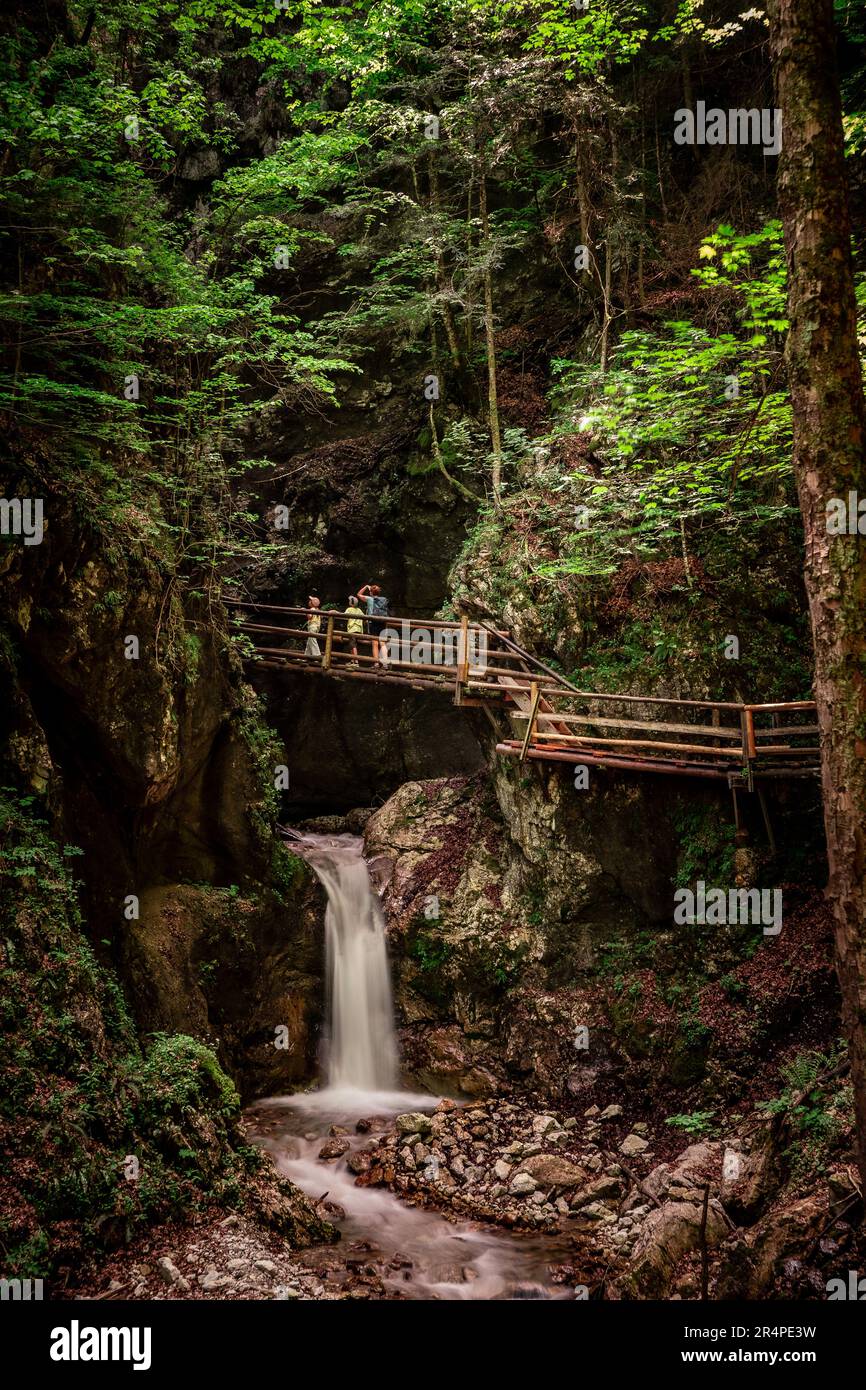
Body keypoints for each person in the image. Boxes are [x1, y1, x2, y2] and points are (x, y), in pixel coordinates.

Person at [357, 582, 390, 667]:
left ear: (371, 592)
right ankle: (385, 664)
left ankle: (376, 663)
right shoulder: (383, 599)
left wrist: (366, 586)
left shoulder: (369, 599)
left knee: (375, 643)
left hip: (373, 623)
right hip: (383, 622)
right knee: (382, 643)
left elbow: (358, 594)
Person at [343, 595, 366, 667]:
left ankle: (356, 662)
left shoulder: (349, 609)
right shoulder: (359, 610)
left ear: (351, 603)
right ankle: (352, 661)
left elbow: (344, 616)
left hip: (352, 629)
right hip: (359, 629)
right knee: (352, 645)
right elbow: (364, 617)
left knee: (353, 645)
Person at [304, 594, 321, 659]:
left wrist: (306, 612)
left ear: (312, 603)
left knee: (313, 641)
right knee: (309, 641)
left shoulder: (312, 609)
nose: (309, 601)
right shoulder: (317, 609)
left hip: (312, 627)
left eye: (310, 601)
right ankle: (306, 656)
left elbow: (310, 617)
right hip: (316, 627)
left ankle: (317, 656)